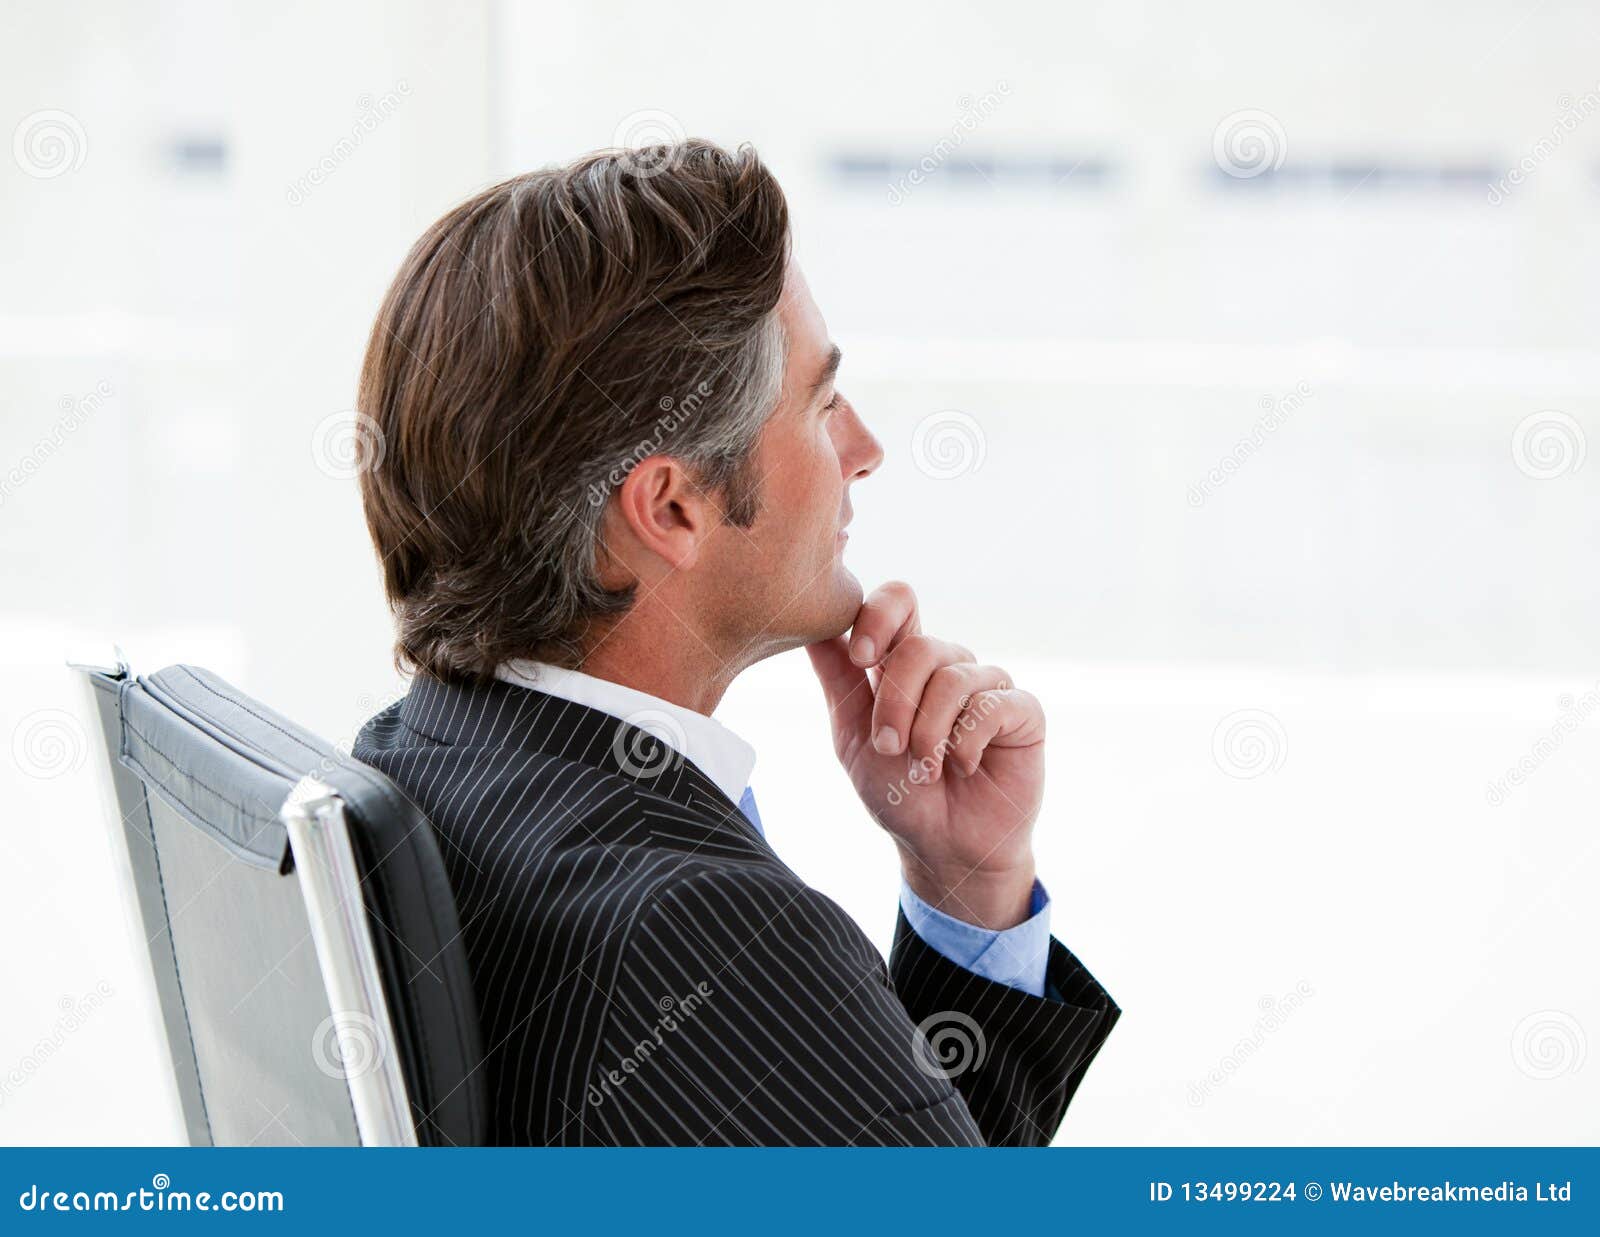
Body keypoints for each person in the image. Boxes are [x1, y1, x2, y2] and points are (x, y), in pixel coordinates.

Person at [352, 139, 1118, 1145]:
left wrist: (964, 886)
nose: (865, 450)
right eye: (822, 405)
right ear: (670, 508)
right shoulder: (711, 939)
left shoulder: (422, 753)